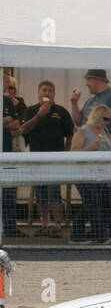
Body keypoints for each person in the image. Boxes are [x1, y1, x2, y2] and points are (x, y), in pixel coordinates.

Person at [70, 69, 111, 243]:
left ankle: (109, 232)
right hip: (89, 167)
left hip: (104, 163)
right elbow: (79, 122)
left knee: (107, 198)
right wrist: (74, 104)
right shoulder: (89, 103)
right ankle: (98, 233)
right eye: (104, 119)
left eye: (88, 80)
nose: (86, 84)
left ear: (96, 80)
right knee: (95, 199)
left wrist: (108, 145)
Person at [20, 81, 74, 238]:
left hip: (56, 160)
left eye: (51, 90)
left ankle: (57, 226)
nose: (47, 93)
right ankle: (44, 224)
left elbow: (70, 133)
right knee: (41, 193)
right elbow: (23, 129)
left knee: (54, 193)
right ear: (38, 93)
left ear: (54, 94)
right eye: (44, 90)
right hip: (37, 159)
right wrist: (40, 114)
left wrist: (66, 153)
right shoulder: (31, 111)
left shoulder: (61, 112)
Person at [71, 104, 111, 244]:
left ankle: (82, 234)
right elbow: (73, 152)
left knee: (91, 204)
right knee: (92, 203)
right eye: (105, 119)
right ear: (97, 116)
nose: (107, 122)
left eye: (109, 120)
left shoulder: (105, 132)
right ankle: (99, 235)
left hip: (100, 175)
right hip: (83, 175)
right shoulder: (82, 132)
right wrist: (90, 148)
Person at [2, 75, 25, 239]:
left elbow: (17, 124)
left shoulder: (11, 102)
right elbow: (9, 122)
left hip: (8, 152)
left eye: (11, 87)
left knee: (10, 191)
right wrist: (5, 121)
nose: (8, 89)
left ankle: (10, 226)